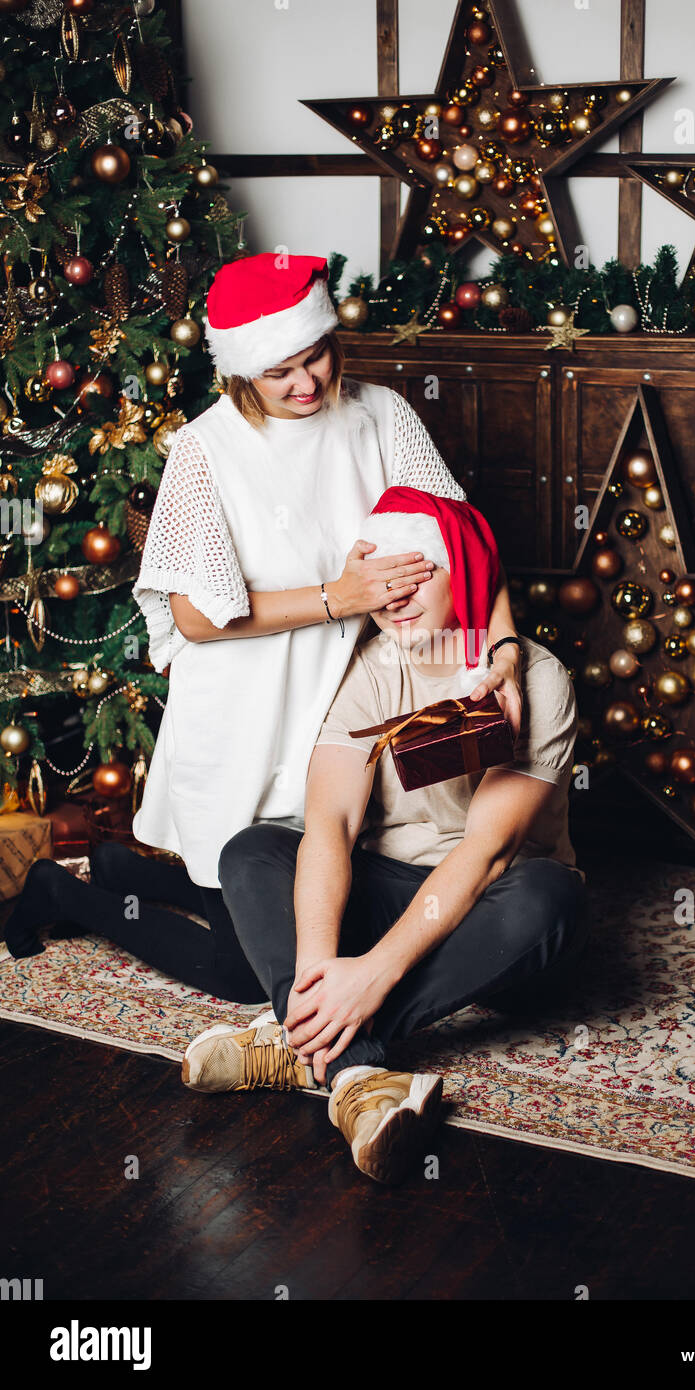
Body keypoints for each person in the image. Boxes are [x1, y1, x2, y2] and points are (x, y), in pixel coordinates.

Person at [3, 254, 523, 993]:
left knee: (326, 906)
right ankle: (67, 894)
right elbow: (195, 618)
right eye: (280, 371)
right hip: (250, 707)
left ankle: (124, 872)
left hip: (354, 701)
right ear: (244, 370)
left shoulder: (382, 416)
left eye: (315, 358)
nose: (306, 383)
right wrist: (338, 598)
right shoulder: (205, 450)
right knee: (249, 969)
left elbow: (467, 550)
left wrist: (500, 650)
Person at [183, 488, 587, 1185]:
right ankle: (348, 1064)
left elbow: (485, 853)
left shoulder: (538, 682)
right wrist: (317, 977)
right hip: (392, 889)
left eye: (420, 575)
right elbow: (331, 824)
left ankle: (294, 1044)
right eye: (385, 580)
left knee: (550, 895)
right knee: (252, 851)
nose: (396, 598)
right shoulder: (370, 669)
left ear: (462, 572)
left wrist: (373, 974)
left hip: (488, 923)